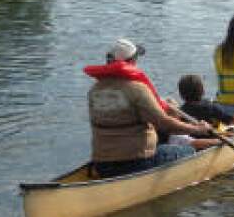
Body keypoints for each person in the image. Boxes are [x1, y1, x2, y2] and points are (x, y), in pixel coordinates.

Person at [85, 39, 212, 178]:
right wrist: (198, 129)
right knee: (188, 150)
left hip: (102, 165)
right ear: (131, 62)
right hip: (136, 163)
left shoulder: (94, 91)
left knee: (162, 147)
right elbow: (165, 124)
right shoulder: (137, 89)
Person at [164, 74, 234, 150]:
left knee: (220, 126)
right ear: (203, 91)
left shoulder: (182, 112)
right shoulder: (210, 107)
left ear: (182, 95)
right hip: (213, 138)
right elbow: (233, 119)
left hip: (199, 143)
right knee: (231, 128)